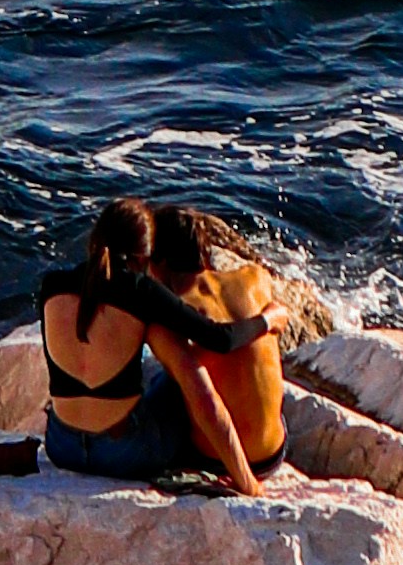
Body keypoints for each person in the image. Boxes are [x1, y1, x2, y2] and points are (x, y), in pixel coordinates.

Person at [40, 196, 280, 492]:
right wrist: (268, 320)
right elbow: (220, 340)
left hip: (61, 447)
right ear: (144, 256)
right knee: (176, 372)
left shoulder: (51, 286)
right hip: (122, 456)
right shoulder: (142, 293)